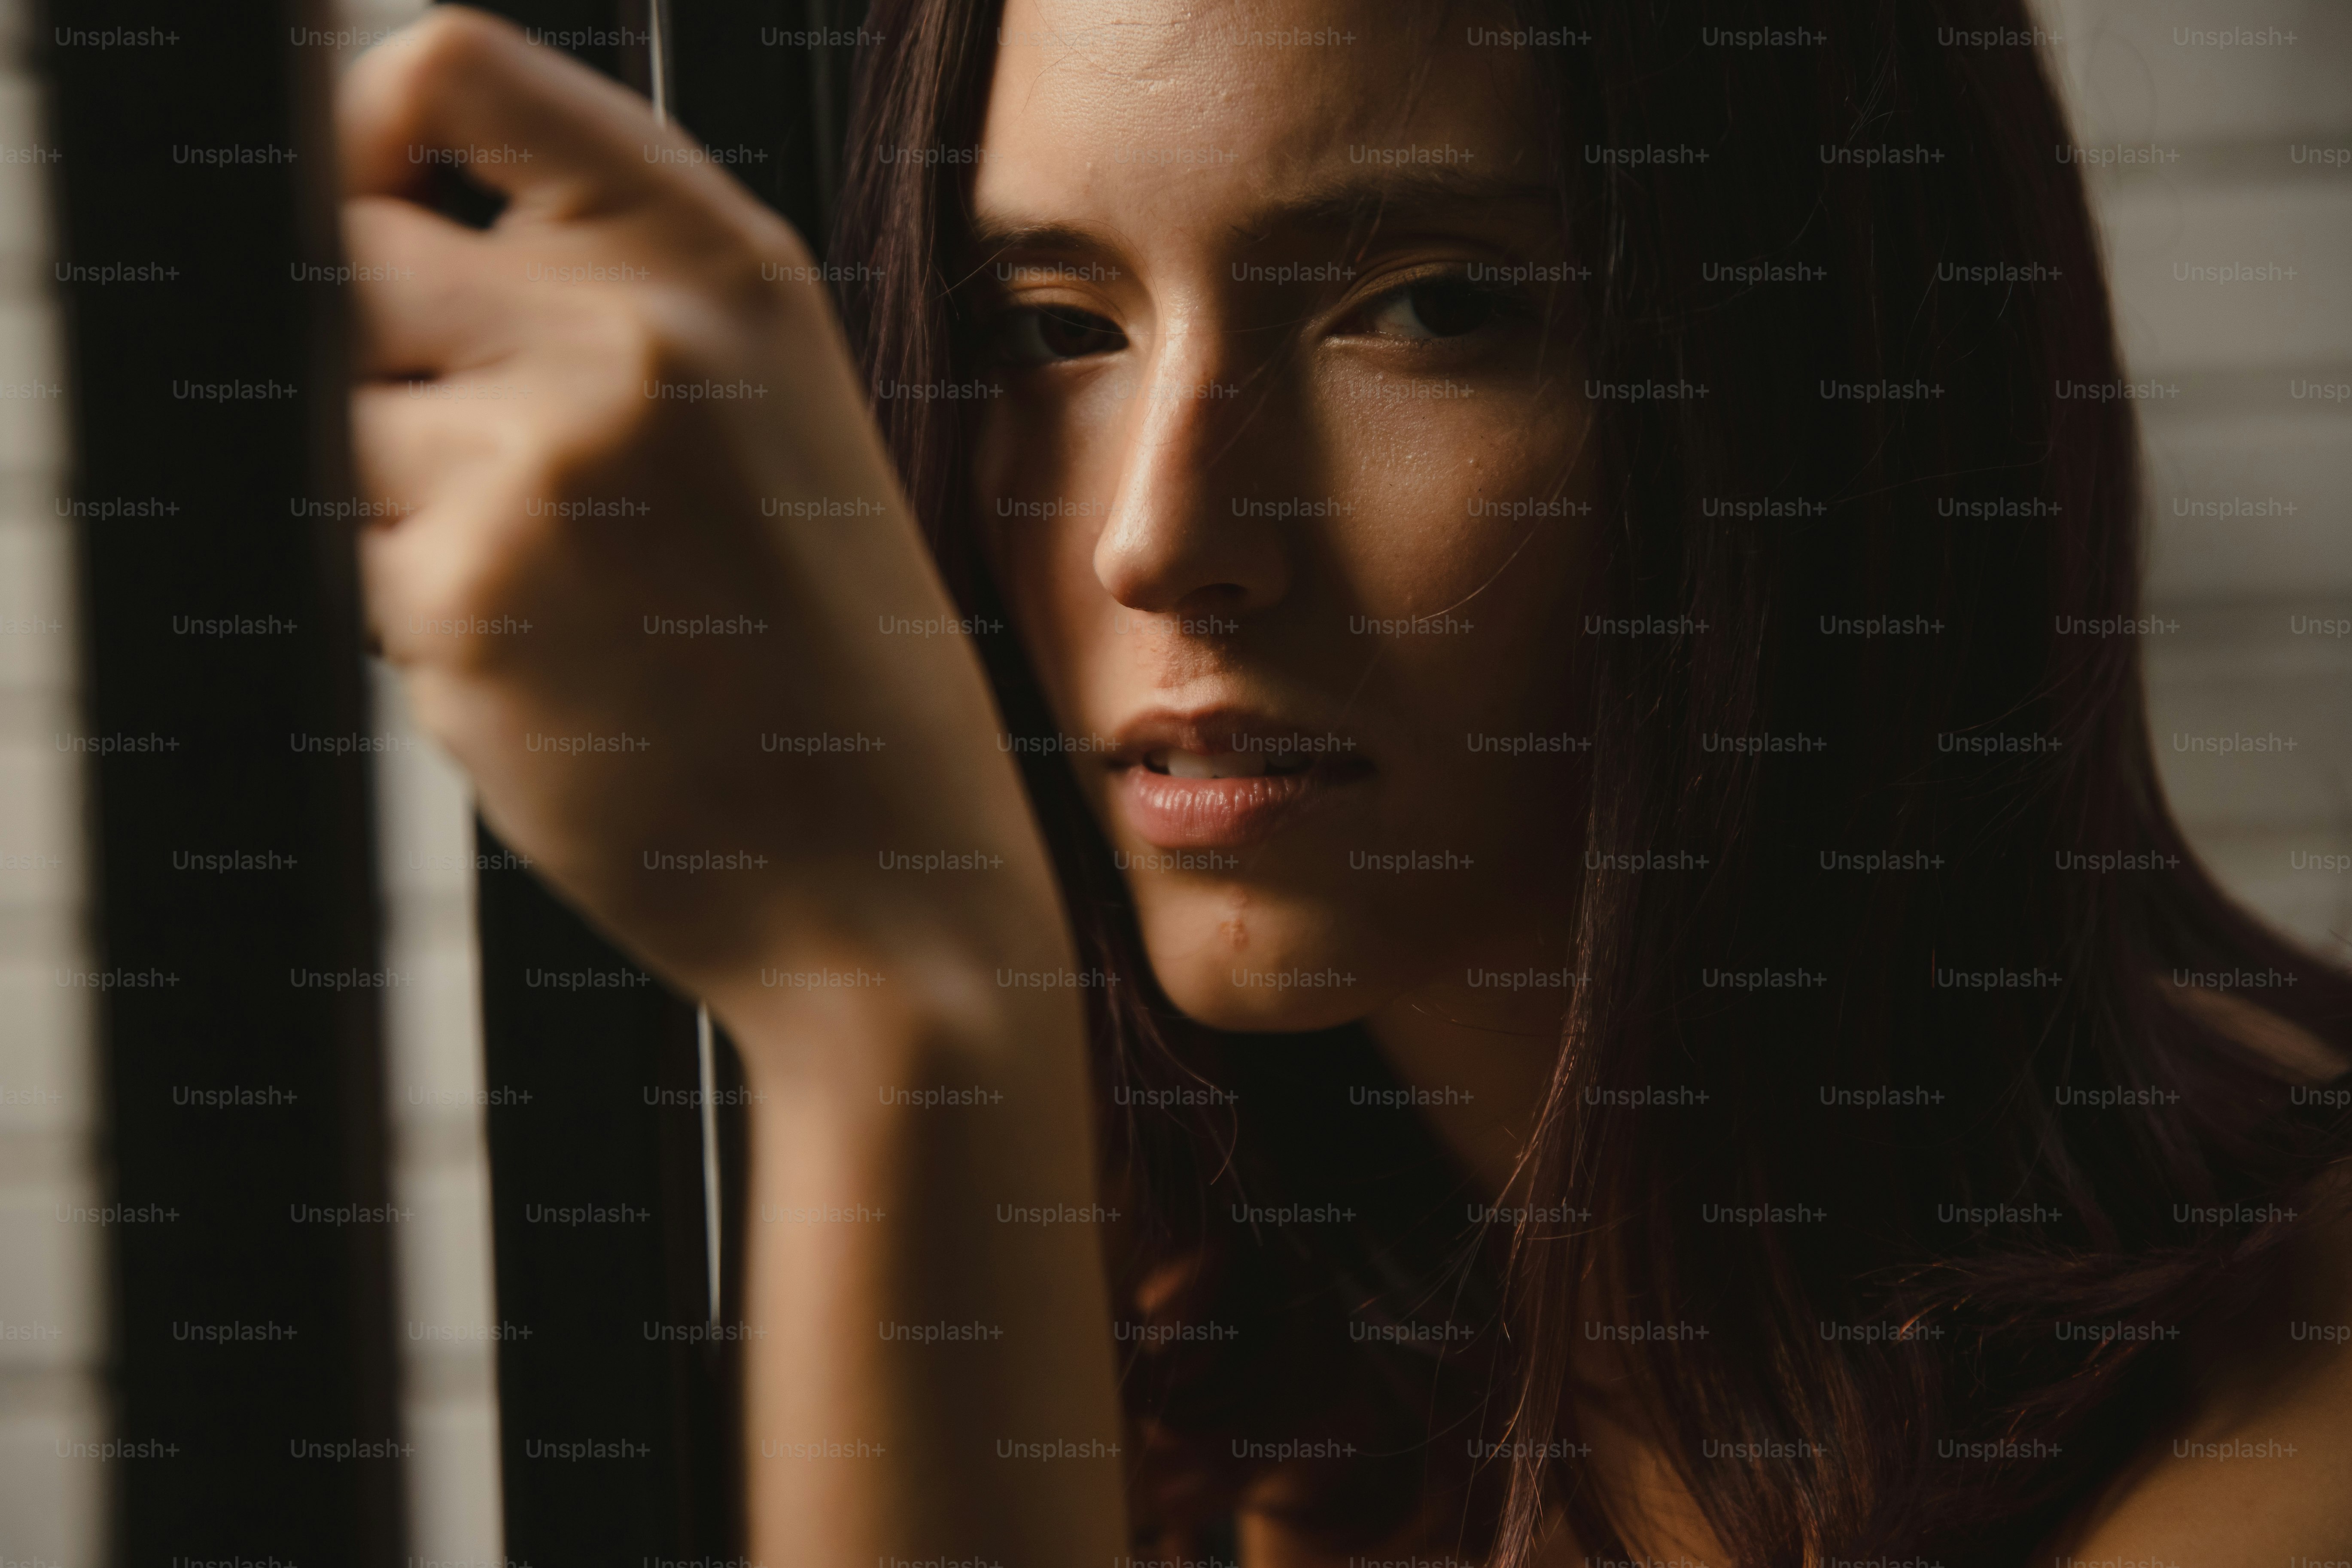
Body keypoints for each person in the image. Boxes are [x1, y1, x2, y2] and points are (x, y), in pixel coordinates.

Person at [337, 1, 2352, 1562]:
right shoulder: (1180, 1310)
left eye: (1430, 310)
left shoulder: (2286, 1418)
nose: (1160, 535)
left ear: (1848, 376)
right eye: (1051, 325)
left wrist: (900, 999)